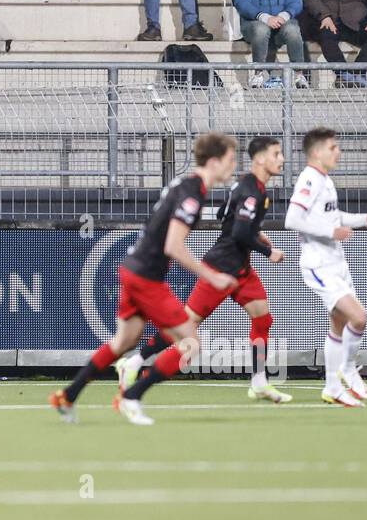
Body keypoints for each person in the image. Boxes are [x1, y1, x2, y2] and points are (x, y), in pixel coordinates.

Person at [49, 132, 240, 426]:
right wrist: (212, 277)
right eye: (230, 159)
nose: (234, 166)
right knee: (191, 343)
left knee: (125, 341)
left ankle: (68, 396)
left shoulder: (184, 184)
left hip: (133, 268)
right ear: (214, 162)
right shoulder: (192, 195)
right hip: (146, 277)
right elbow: (173, 246)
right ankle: (131, 397)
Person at [117, 136, 291, 404]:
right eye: (276, 154)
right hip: (220, 267)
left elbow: (225, 215)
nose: (282, 159)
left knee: (263, 319)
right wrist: (269, 251)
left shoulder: (247, 185)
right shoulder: (251, 191)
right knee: (185, 328)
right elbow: (239, 232)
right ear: (259, 158)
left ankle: (259, 382)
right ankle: (135, 362)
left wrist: (255, 232)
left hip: (242, 270)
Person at [284, 127, 367, 407]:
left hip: (336, 262)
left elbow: (334, 216)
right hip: (318, 264)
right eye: (333, 147)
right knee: (359, 317)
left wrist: (366, 219)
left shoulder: (325, 180)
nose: (338, 152)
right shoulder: (309, 179)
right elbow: (292, 219)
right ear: (317, 152)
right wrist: (331, 232)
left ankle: (332, 387)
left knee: (339, 325)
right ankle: (348, 367)